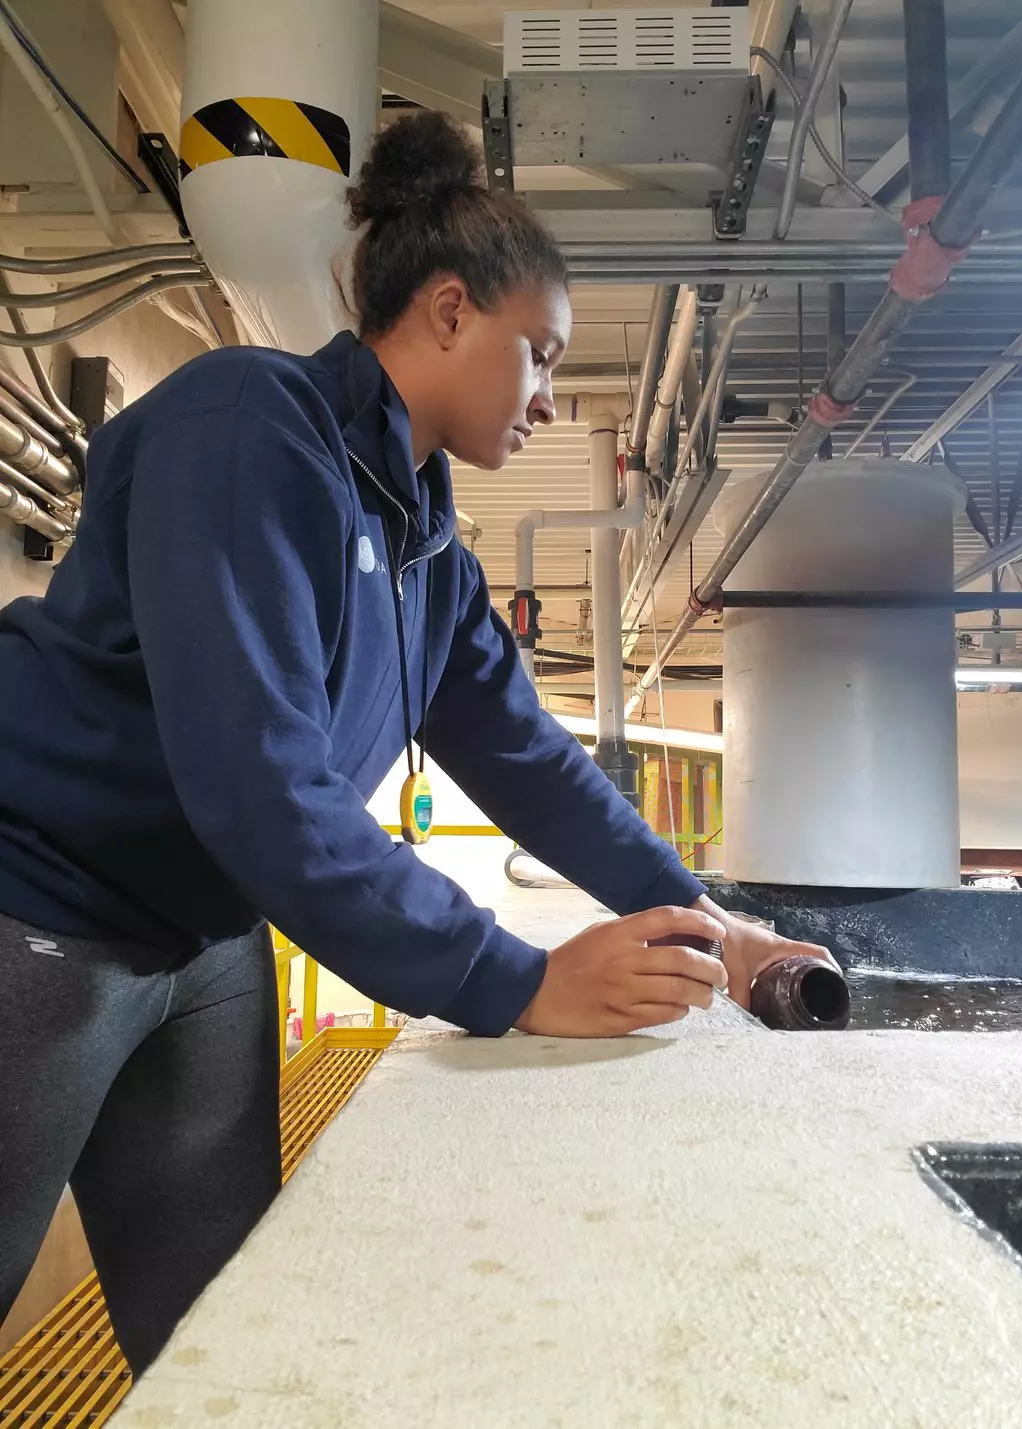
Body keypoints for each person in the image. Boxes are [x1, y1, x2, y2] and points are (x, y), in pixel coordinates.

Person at [0, 111, 830, 1374]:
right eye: (540, 355)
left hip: (206, 944)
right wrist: (522, 981)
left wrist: (701, 916)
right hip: (39, 913)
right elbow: (260, 788)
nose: (551, 398)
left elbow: (528, 761)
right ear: (448, 313)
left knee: (220, 1337)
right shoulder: (246, 429)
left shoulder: (429, 547)